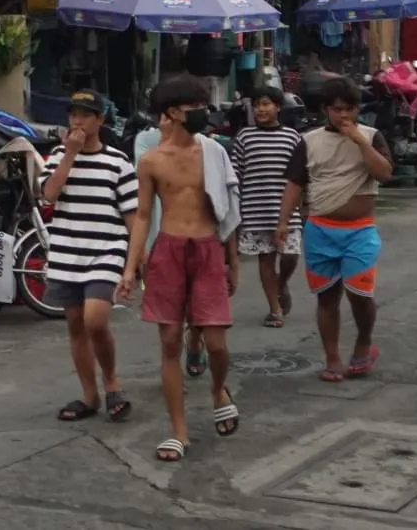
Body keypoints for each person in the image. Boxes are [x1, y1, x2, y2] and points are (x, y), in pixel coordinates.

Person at [121, 77, 241, 464]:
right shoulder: (152, 160)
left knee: (218, 345)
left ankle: (218, 389)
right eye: (194, 107)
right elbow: (141, 215)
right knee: (170, 342)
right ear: (172, 112)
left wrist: (232, 260)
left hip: (207, 248)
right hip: (168, 250)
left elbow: (227, 208)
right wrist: (129, 268)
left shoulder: (213, 152)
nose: (203, 113)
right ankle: (178, 431)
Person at [275, 76, 393, 383]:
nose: (344, 116)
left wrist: (360, 142)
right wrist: (283, 221)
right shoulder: (309, 141)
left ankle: (364, 343)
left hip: (360, 230)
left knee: (360, 295)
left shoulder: (371, 135)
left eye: (350, 109)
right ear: (326, 109)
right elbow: (295, 184)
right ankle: (332, 359)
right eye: (337, 109)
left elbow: (384, 174)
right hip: (320, 229)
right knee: (327, 297)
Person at [41, 90, 137, 427]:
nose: (78, 121)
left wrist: (133, 265)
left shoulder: (118, 162)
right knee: (76, 326)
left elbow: (133, 216)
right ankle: (89, 395)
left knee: (95, 320)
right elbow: (48, 196)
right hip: (67, 252)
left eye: (85, 114)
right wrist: (69, 155)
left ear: (100, 120)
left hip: (106, 250)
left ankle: (112, 382)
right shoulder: (56, 156)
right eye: (73, 114)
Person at [234, 86, 303, 327]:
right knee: (266, 259)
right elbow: (236, 175)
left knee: (291, 256)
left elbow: (300, 176)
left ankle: (281, 284)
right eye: (257, 105)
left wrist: (302, 206)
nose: (261, 109)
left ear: (278, 107)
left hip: (287, 210)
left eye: (266, 104)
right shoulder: (244, 136)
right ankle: (275, 309)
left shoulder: (292, 137)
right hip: (255, 209)